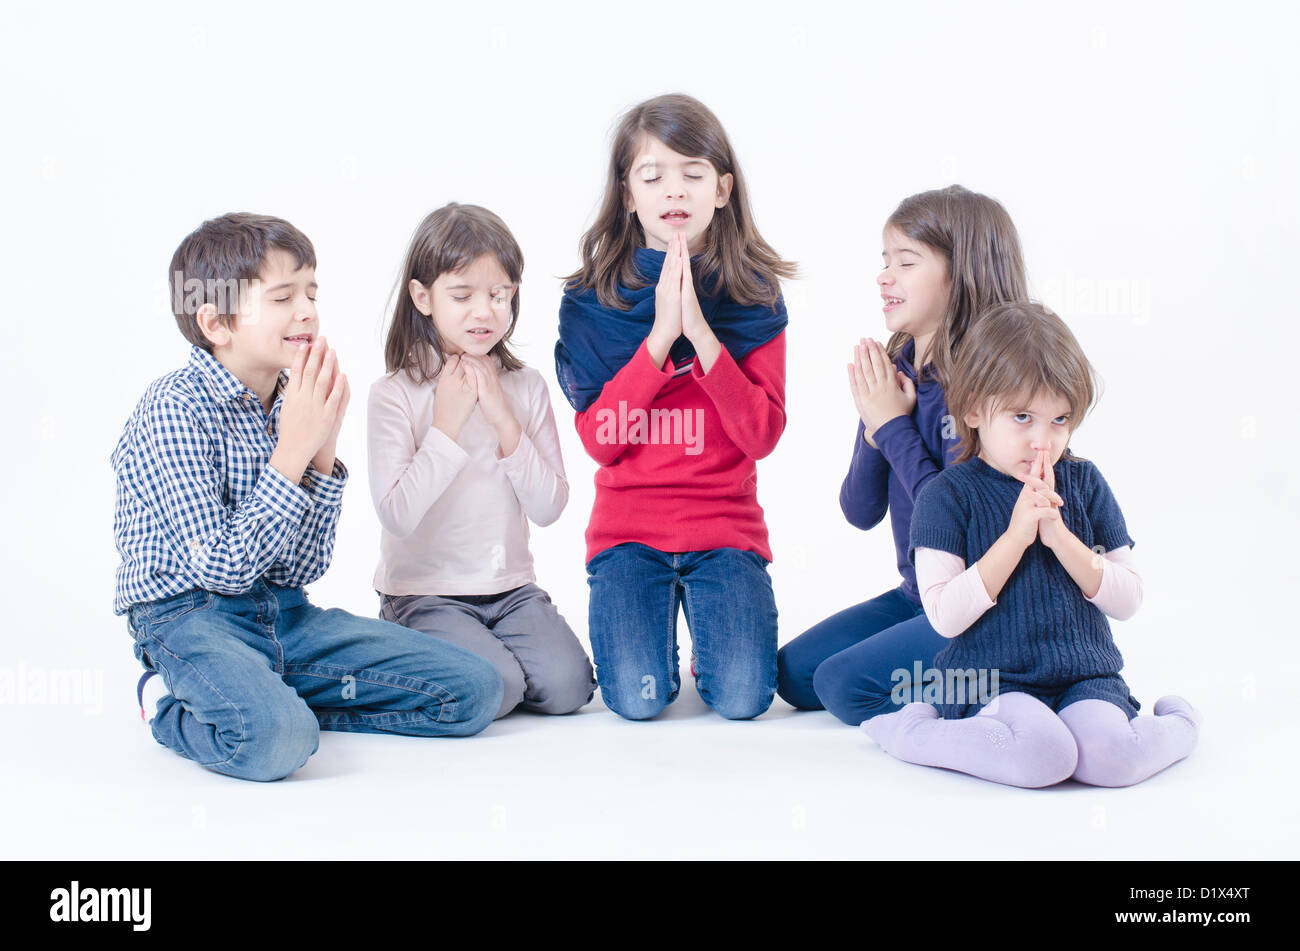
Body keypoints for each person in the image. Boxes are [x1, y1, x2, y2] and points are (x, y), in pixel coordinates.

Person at [113, 213, 502, 782]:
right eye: (282, 297)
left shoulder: (294, 399)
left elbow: (301, 569)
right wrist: (293, 452)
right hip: (190, 620)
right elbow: (221, 568)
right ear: (215, 322)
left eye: (311, 293)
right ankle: (169, 704)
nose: (307, 312)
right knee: (273, 745)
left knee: (474, 692)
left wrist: (322, 461)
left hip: (282, 614)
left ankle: (275, 698)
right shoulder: (173, 408)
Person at [863, 301, 1200, 787]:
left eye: (1060, 419)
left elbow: (1128, 600)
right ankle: (913, 732)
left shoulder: (1083, 483)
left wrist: (1059, 537)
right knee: (1043, 756)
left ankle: (1181, 724)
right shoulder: (949, 495)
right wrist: (1016, 537)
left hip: (1084, 675)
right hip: (990, 679)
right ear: (975, 409)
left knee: (1112, 760)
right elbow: (944, 615)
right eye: (1023, 417)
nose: (1044, 441)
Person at [556, 93, 796, 720]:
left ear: (722, 188)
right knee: (637, 702)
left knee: (744, 699)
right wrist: (662, 338)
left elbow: (761, 433)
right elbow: (603, 440)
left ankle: (713, 639)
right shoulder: (592, 300)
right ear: (627, 193)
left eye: (693, 173)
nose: (674, 190)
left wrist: (704, 336)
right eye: (653, 174)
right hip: (628, 532)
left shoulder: (753, 295)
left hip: (725, 530)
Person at [777, 186, 1029, 724]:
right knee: (794, 675)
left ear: (960, 274)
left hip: (986, 607)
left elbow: (966, 525)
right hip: (919, 596)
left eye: (906, 262)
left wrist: (893, 426)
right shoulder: (897, 370)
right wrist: (876, 428)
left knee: (843, 688)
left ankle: (1014, 672)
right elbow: (859, 511)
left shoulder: (993, 390)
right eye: (884, 261)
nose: (884, 276)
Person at [368, 203, 595, 719]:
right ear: (422, 297)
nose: (484, 312)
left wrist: (502, 419)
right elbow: (396, 514)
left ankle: (484, 664)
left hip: (509, 591)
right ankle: (421, 651)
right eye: (462, 295)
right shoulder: (395, 394)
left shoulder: (526, 386)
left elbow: (550, 505)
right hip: (424, 595)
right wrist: (446, 427)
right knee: (498, 686)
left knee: (567, 688)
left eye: (500, 295)